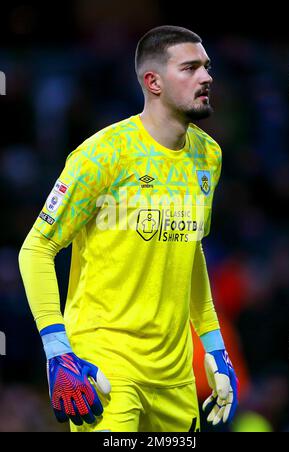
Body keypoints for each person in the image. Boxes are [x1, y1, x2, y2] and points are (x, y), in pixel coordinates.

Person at [19, 25, 238, 432]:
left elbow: (191, 250)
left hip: (174, 374)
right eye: (190, 68)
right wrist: (57, 351)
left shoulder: (209, 156)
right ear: (152, 82)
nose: (206, 77)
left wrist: (214, 346)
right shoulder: (102, 155)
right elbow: (36, 249)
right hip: (107, 363)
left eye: (206, 67)